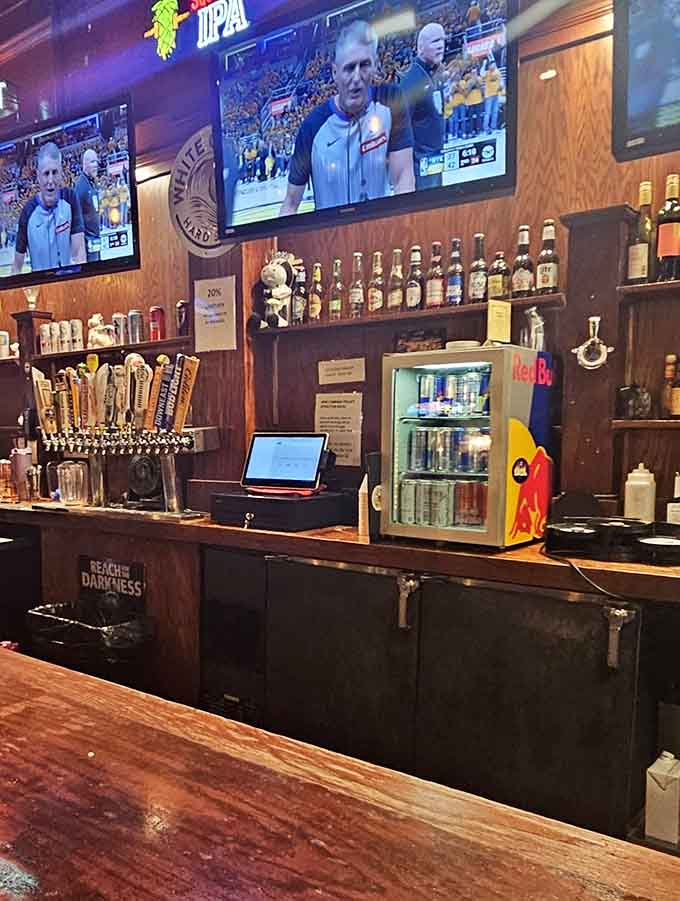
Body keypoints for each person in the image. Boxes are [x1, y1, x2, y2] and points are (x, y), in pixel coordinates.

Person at [279, 20, 414, 216]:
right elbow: (291, 203)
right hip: (327, 239)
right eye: (349, 68)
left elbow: (403, 176)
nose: (357, 77)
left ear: (375, 64)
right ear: (335, 72)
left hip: (380, 233)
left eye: (365, 65)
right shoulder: (312, 127)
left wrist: (403, 225)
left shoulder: (390, 101)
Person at [12, 142, 85, 275]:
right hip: (41, 291)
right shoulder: (27, 212)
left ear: (61, 173)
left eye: (54, 172)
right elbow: (17, 266)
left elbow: (79, 251)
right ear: (38, 177)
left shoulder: (70, 198)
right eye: (46, 174)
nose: (50, 180)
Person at [400, 23, 447, 190]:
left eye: (443, 40)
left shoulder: (434, 73)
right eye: (435, 41)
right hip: (423, 161)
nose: (441, 45)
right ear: (421, 47)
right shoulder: (411, 81)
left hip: (437, 155)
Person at [74, 148, 101, 262]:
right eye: (92, 162)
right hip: (87, 243)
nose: (96, 165)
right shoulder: (81, 186)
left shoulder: (91, 183)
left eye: (96, 161)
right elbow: (76, 218)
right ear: (84, 164)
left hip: (95, 239)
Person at [483, 60, 503, 133]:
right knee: (488, 113)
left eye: (494, 64)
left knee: (495, 112)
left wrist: (501, 86)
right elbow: (481, 73)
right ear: (489, 66)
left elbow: (500, 81)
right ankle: (486, 128)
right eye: (492, 65)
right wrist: (484, 64)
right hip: (488, 95)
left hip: (496, 94)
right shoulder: (487, 73)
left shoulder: (497, 72)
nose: (493, 66)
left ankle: (493, 127)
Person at [464, 68, 483, 138]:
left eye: (475, 72)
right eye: (473, 73)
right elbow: (466, 92)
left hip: (478, 100)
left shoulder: (479, 79)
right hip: (470, 102)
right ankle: (471, 131)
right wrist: (471, 84)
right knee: (470, 118)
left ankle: (479, 130)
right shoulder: (468, 81)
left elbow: (481, 88)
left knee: (479, 116)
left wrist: (476, 82)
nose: (474, 74)